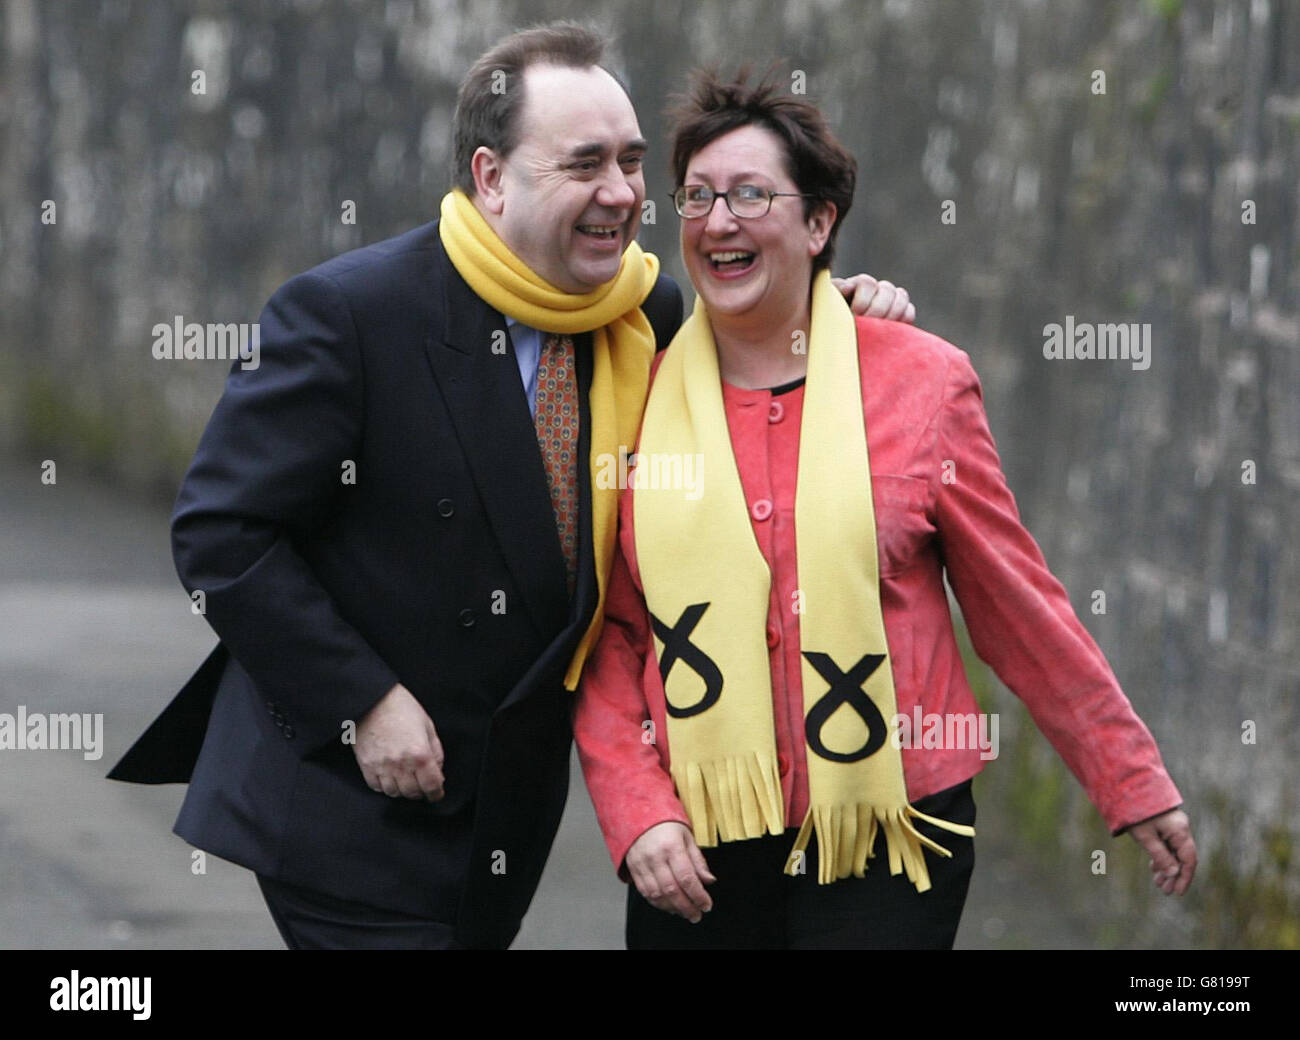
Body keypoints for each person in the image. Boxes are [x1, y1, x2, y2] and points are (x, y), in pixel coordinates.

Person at [107, 23, 914, 950]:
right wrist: (362, 698)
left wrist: (834, 314)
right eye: (585, 165)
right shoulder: (352, 314)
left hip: (501, 817)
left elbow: (745, 363)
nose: (621, 194)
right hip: (347, 808)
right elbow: (220, 532)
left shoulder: (643, 312)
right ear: (492, 177)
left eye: (631, 162)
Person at [572, 70, 1198, 950]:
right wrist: (636, 811)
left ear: (819, 222)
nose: (718, 221)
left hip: (895, 834)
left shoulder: (922, 381)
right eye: (698, 197)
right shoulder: (636, 391)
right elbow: (611, 635)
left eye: (751, 194)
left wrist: (1131, 781)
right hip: (699, 838)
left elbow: (1018, 606)